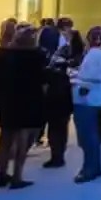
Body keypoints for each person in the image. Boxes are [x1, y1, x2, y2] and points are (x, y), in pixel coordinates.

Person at [0, 23, 46, 189]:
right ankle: (17, 175)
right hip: (29, 99)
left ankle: (2, 173)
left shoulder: (1, 55)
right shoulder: (37, 56)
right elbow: (42, 78)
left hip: (8, 99)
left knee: (5, 136)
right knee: (24, 136)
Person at [71, 25, 101, 183]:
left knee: (87, 135)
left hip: (86, 98)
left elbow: (96, 76)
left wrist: (76, 78)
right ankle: (95, 166)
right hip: (94, 98)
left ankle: (89, 168)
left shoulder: (97, 53)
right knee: (93, 134)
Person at [39, 18, 81, 168]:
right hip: (62, 91)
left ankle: (57, 154)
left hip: (59, 91)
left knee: (57, 125)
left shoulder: (65, 52)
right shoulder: (66, 50)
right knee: (59, 125)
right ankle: (57, 153)